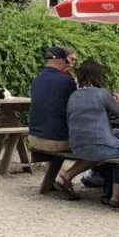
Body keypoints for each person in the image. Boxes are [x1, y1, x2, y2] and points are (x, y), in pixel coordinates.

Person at [65, 59, 119, 207]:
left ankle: (95, 180)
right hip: (97, 145)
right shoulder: (102, 94)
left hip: (76, 144)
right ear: (98, 75)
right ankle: (116, 196)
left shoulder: (73, 95)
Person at [28, 45, 83, 192]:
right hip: (55, 142)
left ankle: (51, 181)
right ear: (60, 60)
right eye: (68, 61)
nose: (69, 64)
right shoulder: (66, 81)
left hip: (33, 137)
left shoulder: (37, 79)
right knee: (95, 145)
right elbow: (76, 109)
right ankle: (66, 176)